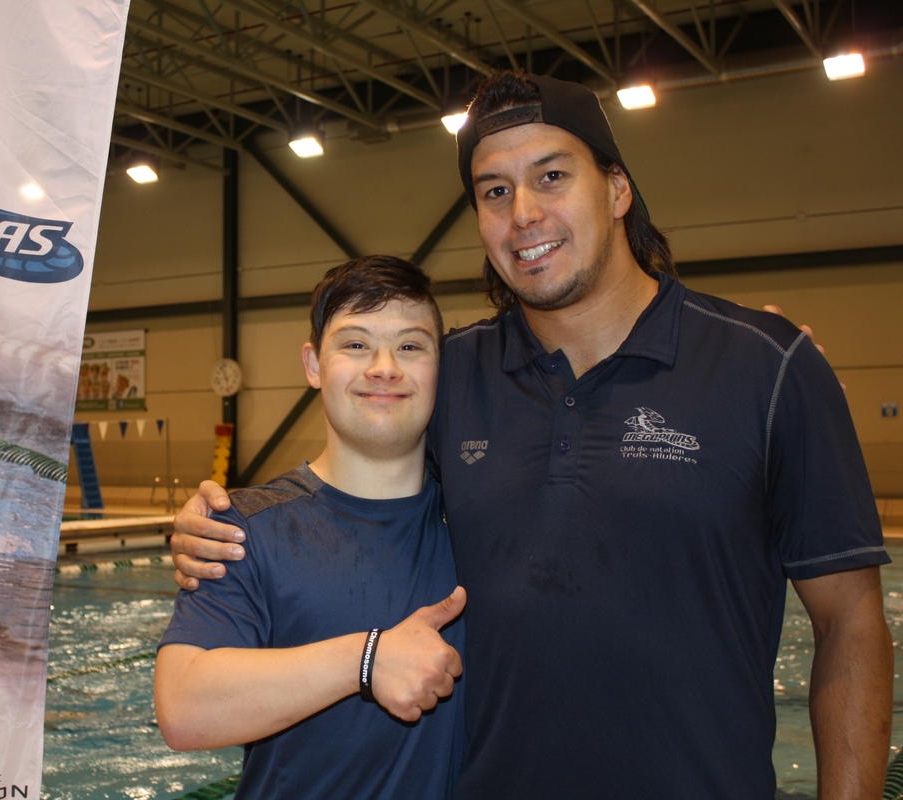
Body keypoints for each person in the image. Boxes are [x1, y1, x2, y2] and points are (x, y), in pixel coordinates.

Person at [170, 71, 893, 799]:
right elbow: (355, 472)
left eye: (551, 176)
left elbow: (851, 626)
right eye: (495, 191)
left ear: (616, 189)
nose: (523, 214)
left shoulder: (765, 367)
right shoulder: (452, 375)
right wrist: (220, 525)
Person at [155, 256, 467, 799]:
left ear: (441, 366)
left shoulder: (483, 522)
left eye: (412, 346)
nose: (384, 367)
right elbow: (183, 710)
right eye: (355, 344)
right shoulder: (244, 526)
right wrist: (366, 660)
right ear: (314, 364)